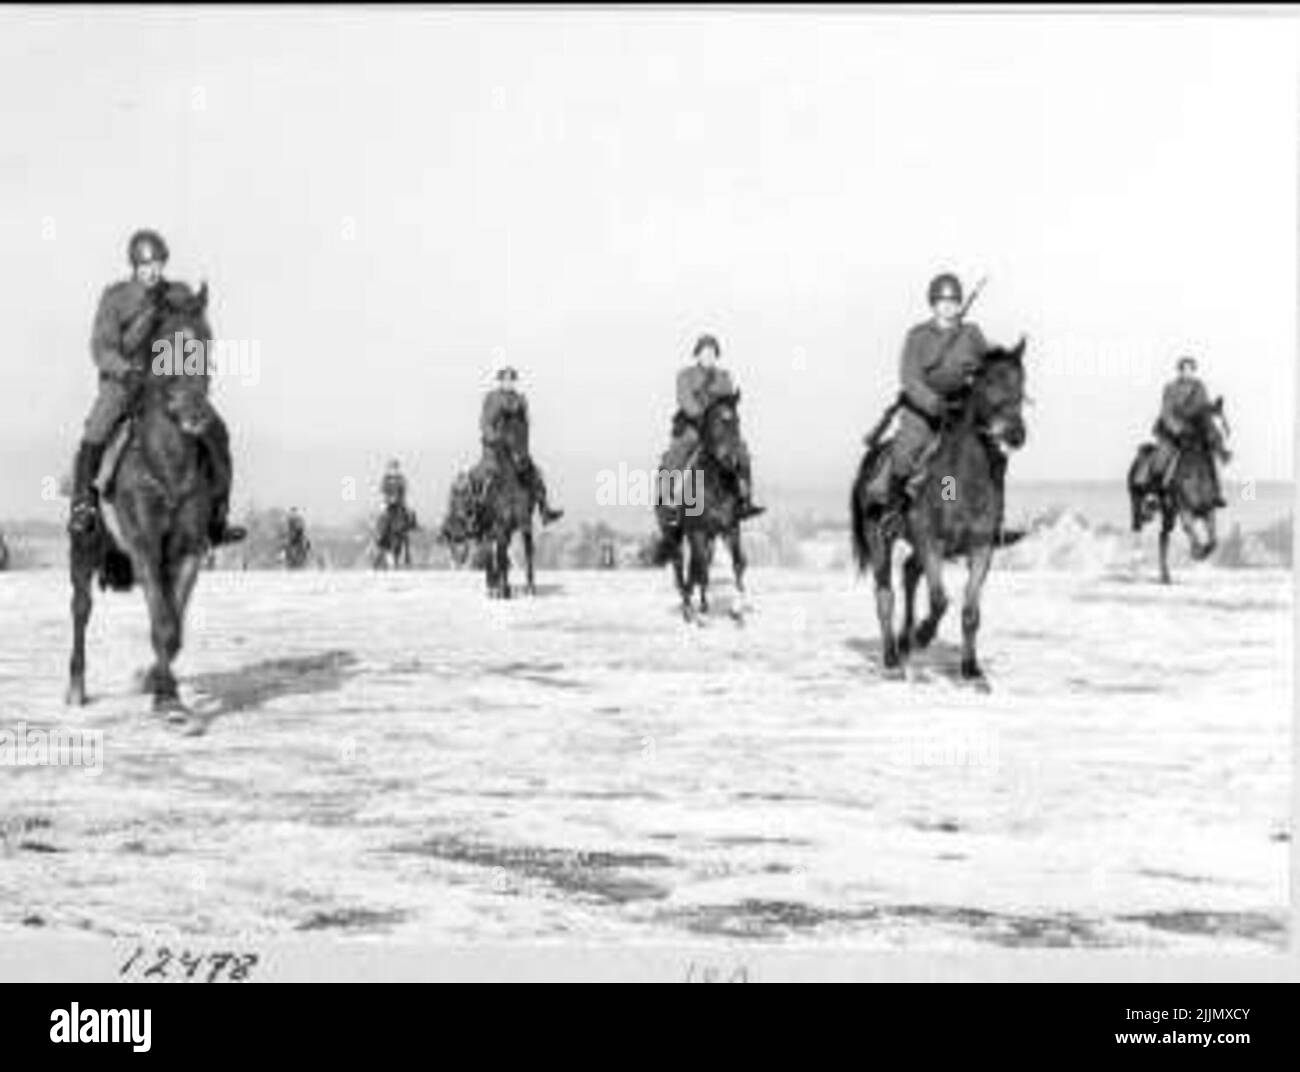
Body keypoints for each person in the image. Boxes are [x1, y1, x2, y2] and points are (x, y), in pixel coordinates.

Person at [68, 229, 245, 545]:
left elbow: (193, 330)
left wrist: (197, 314)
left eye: (157, 264)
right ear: (134, 266)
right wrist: (125, 369)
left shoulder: (176, 293)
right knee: (98, 427)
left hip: (168, 379)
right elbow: (102, 348)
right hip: (124, 381)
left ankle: (218, 516)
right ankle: (84, 505)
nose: (152, 271)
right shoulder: (116, 298)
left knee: (216, 430)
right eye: (145, 265)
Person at [863, 273, 988, 518]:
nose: (948, 306)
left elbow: (986, 366)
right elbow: (909, 377)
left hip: (959, 411)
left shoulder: (972, 334)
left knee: (977, 453)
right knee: (906, 451)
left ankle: (985, 514)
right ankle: (893, 508)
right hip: (922, 412)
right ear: (933, 304)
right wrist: (932, 402)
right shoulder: (918, 336)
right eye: (942, 301)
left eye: (953, 301)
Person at [657, 333, 763, 527]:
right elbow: (684, 399)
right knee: (675, 454)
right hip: (693, 425)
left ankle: (745, 499)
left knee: (741, 452)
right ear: (697, 354)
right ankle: (667, 503)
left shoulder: (724, 377)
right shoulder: (685, 375)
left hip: (719, 430)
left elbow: (728, 404)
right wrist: (702, 416)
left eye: (712, 353)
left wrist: (724, 421)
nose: (709, 356)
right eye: (705, 352)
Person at [479, 366, 563, 524]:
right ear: (501, 381)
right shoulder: (492, 398)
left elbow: (524, 424)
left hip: (517, 450)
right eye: (506, 380)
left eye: (511, 380)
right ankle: (478, 512)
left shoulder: (520, 399)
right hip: (495, 449)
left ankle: (545, 511)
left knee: (536, 473)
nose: (509, 383)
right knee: (484, 476)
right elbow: (485, 423)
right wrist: (495, 437)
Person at [1143, 355, 1230, 506]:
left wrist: (1214, 410)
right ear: (1180, 371)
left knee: (1213, 454)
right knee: (1163, 454)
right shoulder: (1170, 387)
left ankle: (1218, 492)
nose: (1187, 372)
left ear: (1193, 371)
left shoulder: (1200, 386)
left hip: (1194, 428)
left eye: (1190, 369)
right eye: (1184, 369)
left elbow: (1203, 406)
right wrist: (1177, 429)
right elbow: (1166, 412)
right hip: (1173, 428)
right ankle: (1154, 493)